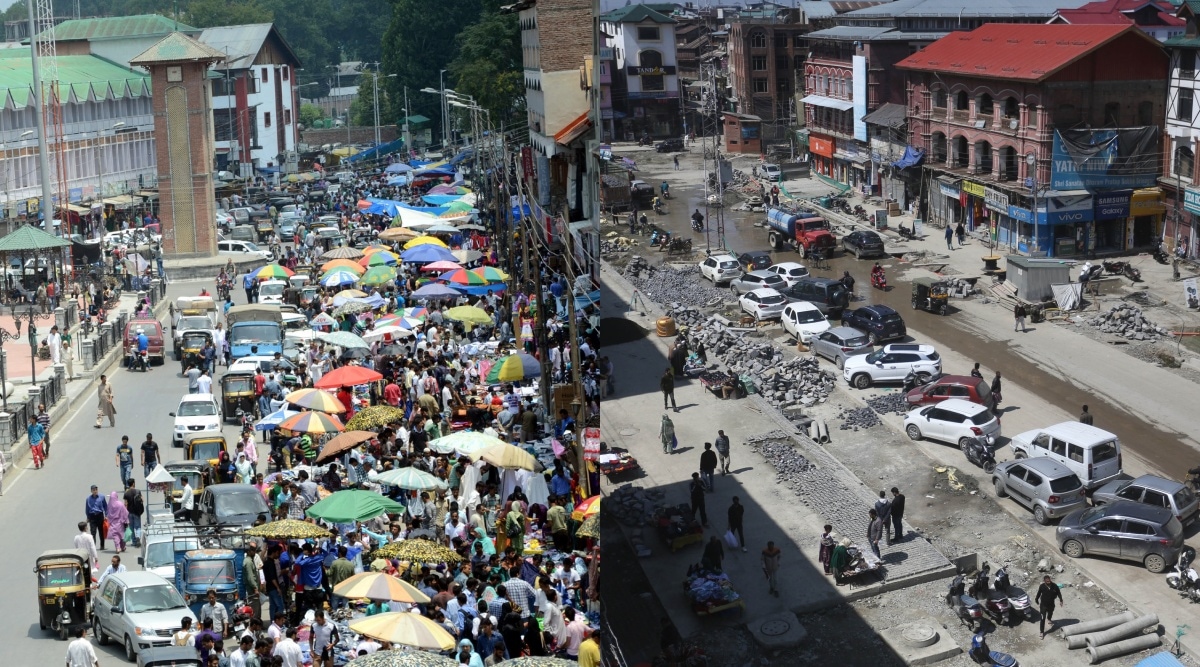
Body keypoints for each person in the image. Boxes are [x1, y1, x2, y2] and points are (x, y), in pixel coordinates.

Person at [85, 485, 108, 550]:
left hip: (100, 515)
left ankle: (102, 545)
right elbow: (87, 509)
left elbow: (105, 506)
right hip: (92, 516)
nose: (95, 491)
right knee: (93, 532)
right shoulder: (88, 499)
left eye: (96, 490)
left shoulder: (102, 497)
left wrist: (106, 515)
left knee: (101, 531)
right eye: (93, 490)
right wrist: (88, 517)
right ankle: (93, 546)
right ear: (91, 491)